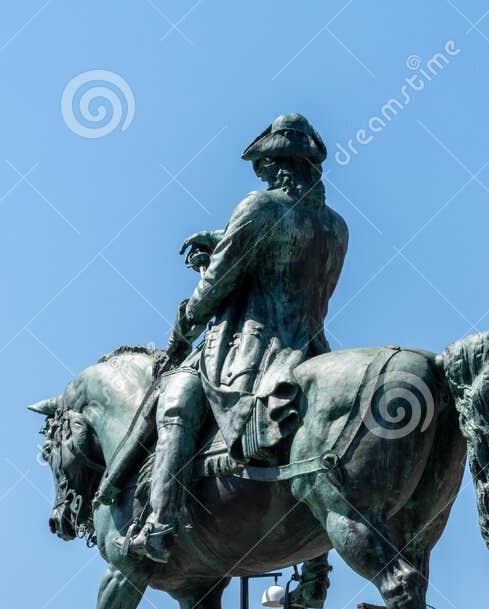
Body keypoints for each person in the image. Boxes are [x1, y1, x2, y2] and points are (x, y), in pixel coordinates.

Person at [118, 113, 349, 566]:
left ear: (277, 164)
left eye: (263, 167)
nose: (259, 175)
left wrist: (181, 330)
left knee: (177, 405)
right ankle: (317, 564)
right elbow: (285, 261)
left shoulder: (259, 207)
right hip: (313, 348)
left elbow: (217, 286)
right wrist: (225, 238)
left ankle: (159, 525)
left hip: (252, 350)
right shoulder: (336, 226)